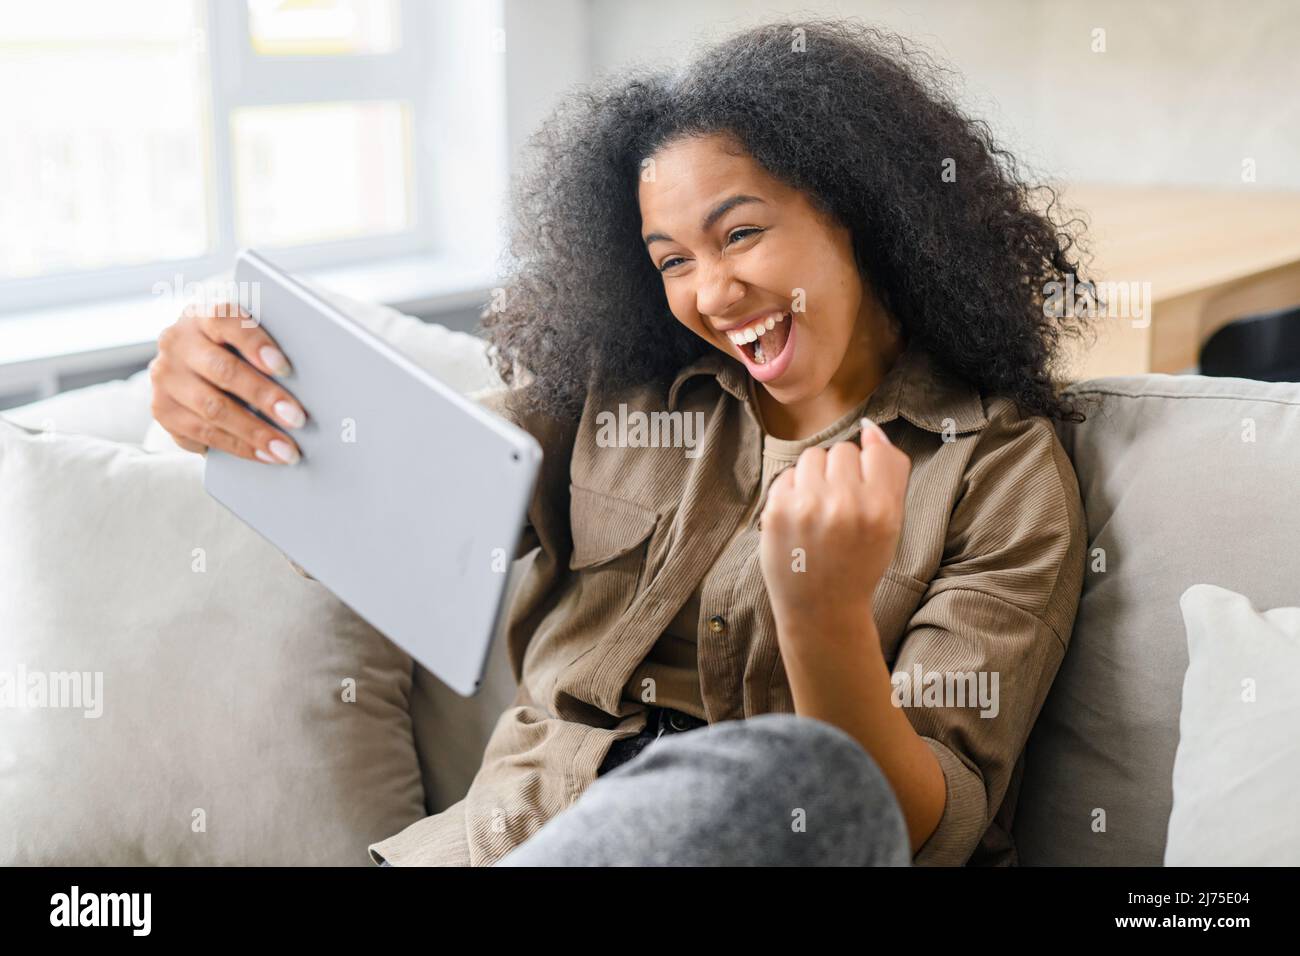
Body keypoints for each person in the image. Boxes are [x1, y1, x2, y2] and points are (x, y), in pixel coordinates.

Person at [149, 18, 1095, 866]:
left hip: (773, 839)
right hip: (512, 839)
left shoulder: (997, 473)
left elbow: (915, 822)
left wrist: (826, 619)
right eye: (673, 260)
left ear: (857, 211)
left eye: (742, 234)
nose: (712, 294)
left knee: (791, 780)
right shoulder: (619, 395)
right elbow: (398, 495)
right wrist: (230, 398)